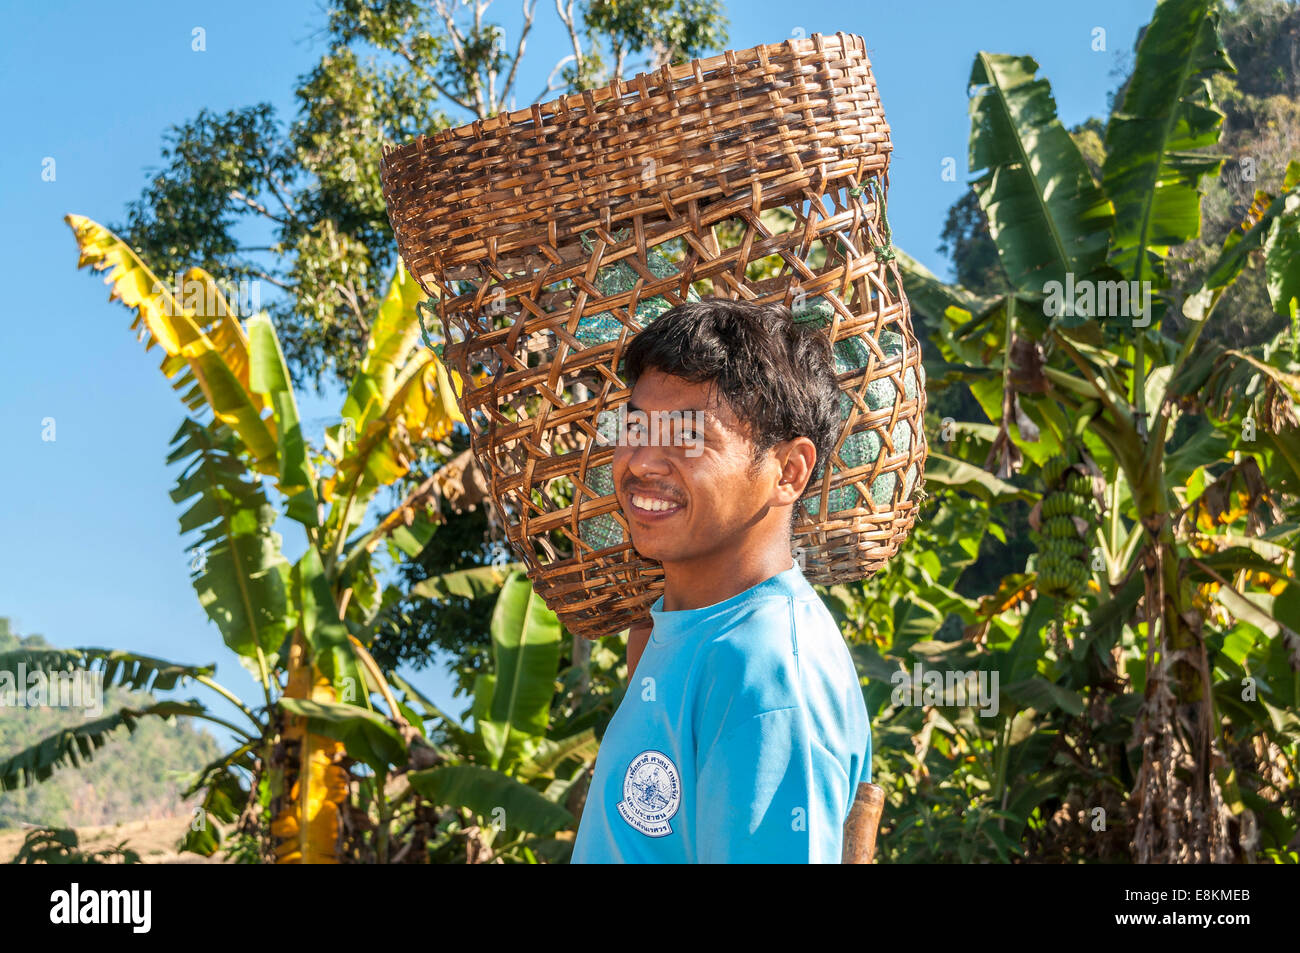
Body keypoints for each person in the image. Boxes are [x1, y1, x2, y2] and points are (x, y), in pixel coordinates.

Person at [570, 297, 872, 864]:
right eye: (634, 426)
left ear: (789, 471)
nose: (641, 462)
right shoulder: (680, 633)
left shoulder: (768, 674)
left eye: (687, 438)